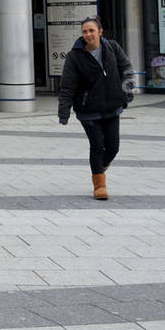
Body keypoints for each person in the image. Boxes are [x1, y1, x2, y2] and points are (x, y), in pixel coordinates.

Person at [58, 17, 135, 200]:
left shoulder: (112, 47)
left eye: (91, 30)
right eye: (85, 31)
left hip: (112, 106)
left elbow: (126, 68)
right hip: (88, 110)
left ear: (100, 31)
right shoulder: (75, 56)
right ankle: (99, 185)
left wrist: (127, 90)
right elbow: (67, 85)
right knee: (97, 146)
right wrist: (64, 111)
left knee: (113, 146)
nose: (88, 34)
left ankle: (99, 168)